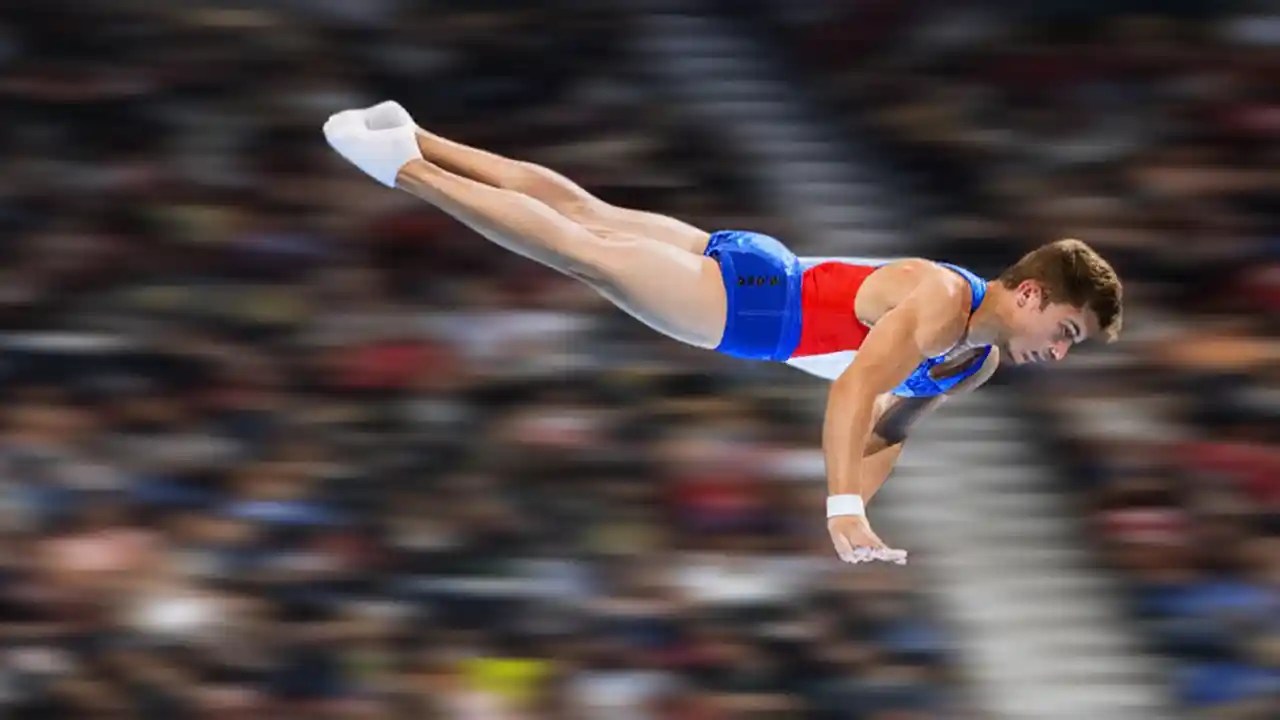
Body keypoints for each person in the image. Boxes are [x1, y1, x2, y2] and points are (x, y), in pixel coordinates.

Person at [323, 101, 1124, 566]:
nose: (1057, 353)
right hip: (748, 311)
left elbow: (886, 427)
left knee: (585, 214)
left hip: (759, 267)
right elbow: (854, 388)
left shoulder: (973, 363)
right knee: (579, 251)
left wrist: (859, 513)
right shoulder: (943, 302)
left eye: (1070, 345)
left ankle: (415, 134)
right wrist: (840, 507)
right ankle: (402, 167)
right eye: (1064, 330)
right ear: (1028, 293)